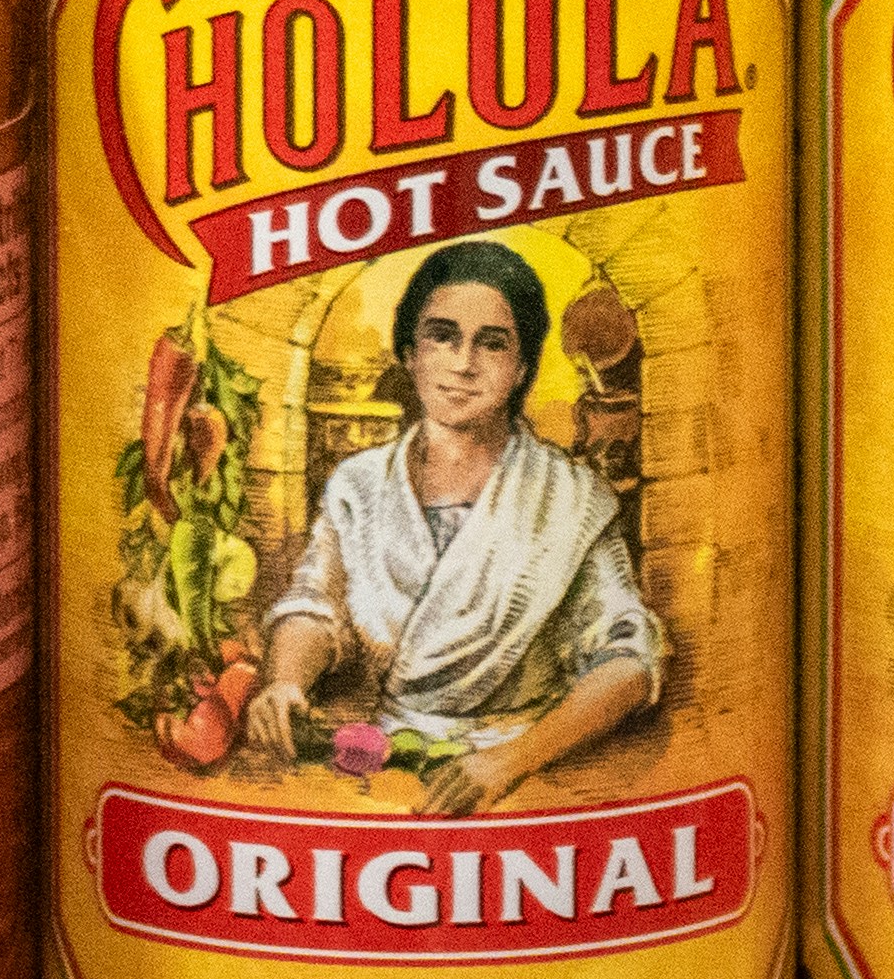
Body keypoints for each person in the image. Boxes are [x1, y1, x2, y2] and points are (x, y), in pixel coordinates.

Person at [254, 241, 663, 816]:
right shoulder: (359, 485)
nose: (463, 363)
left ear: (521, 367)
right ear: (410, 354)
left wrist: (509, 762)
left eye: (491, 343)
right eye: (443, 336)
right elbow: (316, 604)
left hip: (530, 779)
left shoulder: (572, 497)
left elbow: (630, 659)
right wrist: (285, 679)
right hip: (385, 767)